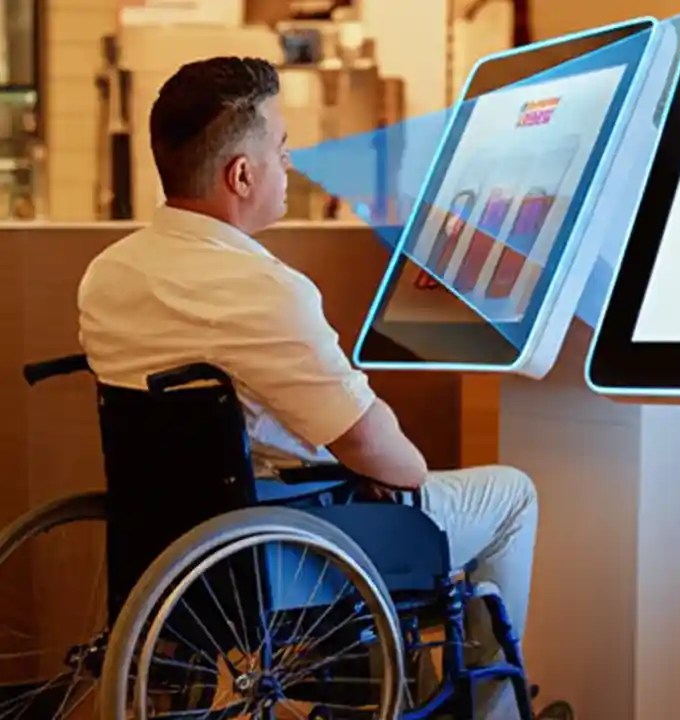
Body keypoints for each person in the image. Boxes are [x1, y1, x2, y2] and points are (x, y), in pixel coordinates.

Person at [77, 56, 541, 718]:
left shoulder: (107, 275)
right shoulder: (266, 290)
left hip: (169, 538)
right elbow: (394, 461)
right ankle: (495, 710)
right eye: (282, 147)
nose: (290, 164)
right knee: (509, 496)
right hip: (284, 539)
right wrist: (377, 464)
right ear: (242, 174)